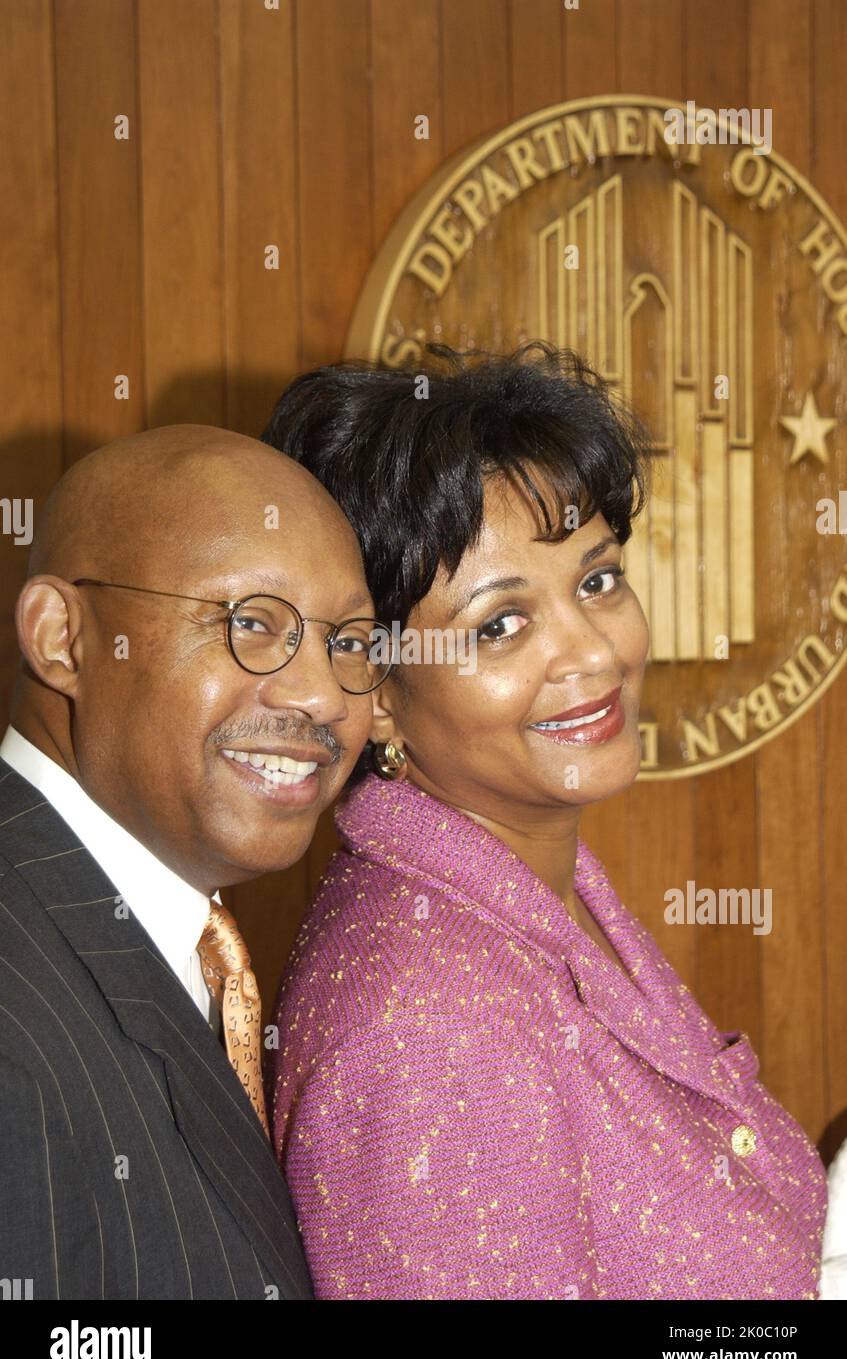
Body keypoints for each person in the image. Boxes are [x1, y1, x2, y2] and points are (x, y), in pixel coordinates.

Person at [262, 344, 828, 1300]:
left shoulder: (528, 898)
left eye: (597, 580)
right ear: (378, 692)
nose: (592, 652)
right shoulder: (429, 1036)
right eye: (499, 625)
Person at [0, 423, 390, 1299]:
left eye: (351, 642)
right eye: (251, 622)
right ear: (63, 637)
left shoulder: (159, 936)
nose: (322, 693)